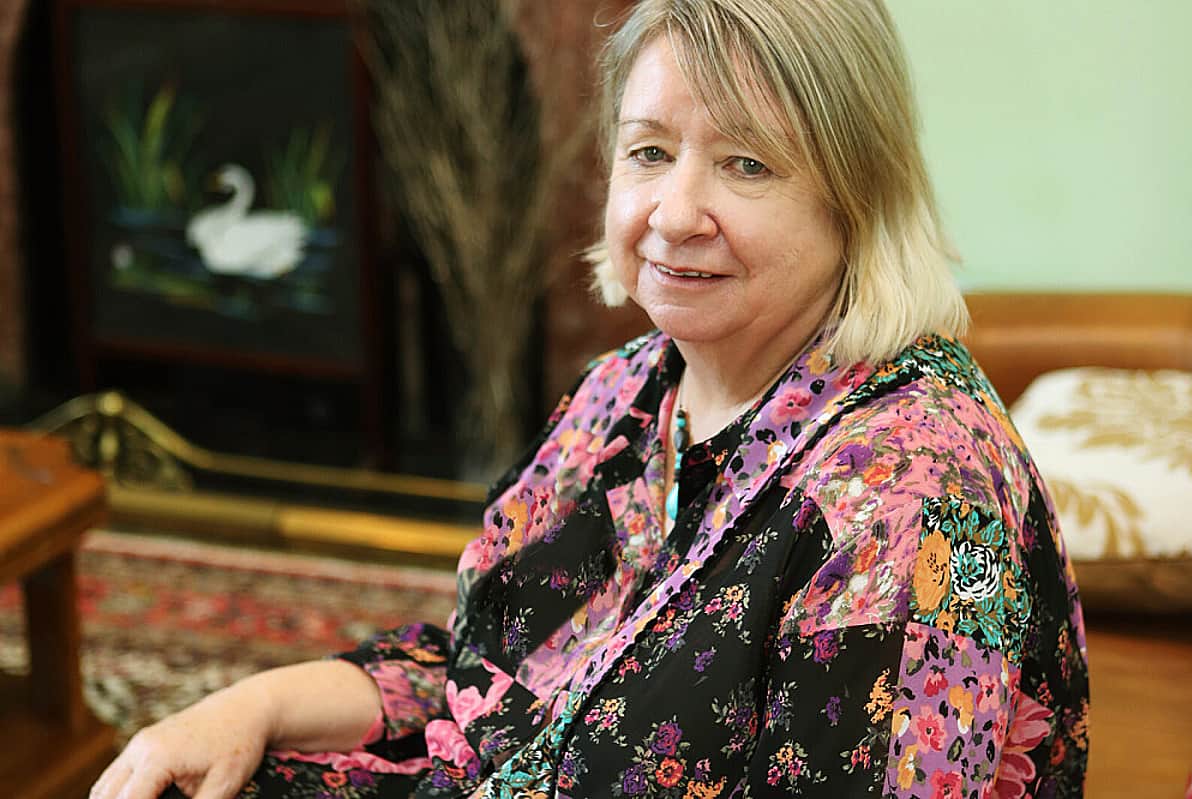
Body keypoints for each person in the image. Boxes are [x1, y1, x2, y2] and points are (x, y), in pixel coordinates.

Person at [91, 1, 1089, 797]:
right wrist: (242, 708)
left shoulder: (909, 498)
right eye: (650, 151)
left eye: (746, 163)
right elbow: (481, 672)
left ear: (856, 195)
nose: (671, 212)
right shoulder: (626, 393)